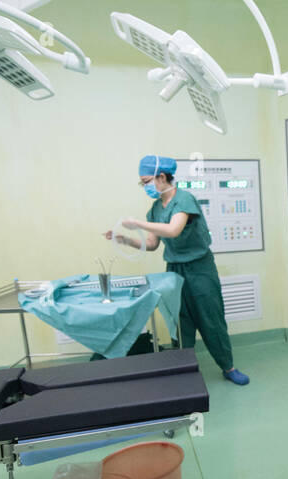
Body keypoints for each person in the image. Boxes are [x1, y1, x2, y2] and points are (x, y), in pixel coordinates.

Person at [105, 155, 249, 385]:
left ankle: (228, 367)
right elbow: (152, 244)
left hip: (200, 268)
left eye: (147, 181)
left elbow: (173, 230)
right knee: (180, 322)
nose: (145, 187)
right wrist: (125, 239)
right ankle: (184, 369)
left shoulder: (184, 200)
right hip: (174, 269)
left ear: (162, 177)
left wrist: (138, 224)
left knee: (211, 319)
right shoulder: (155, 209)